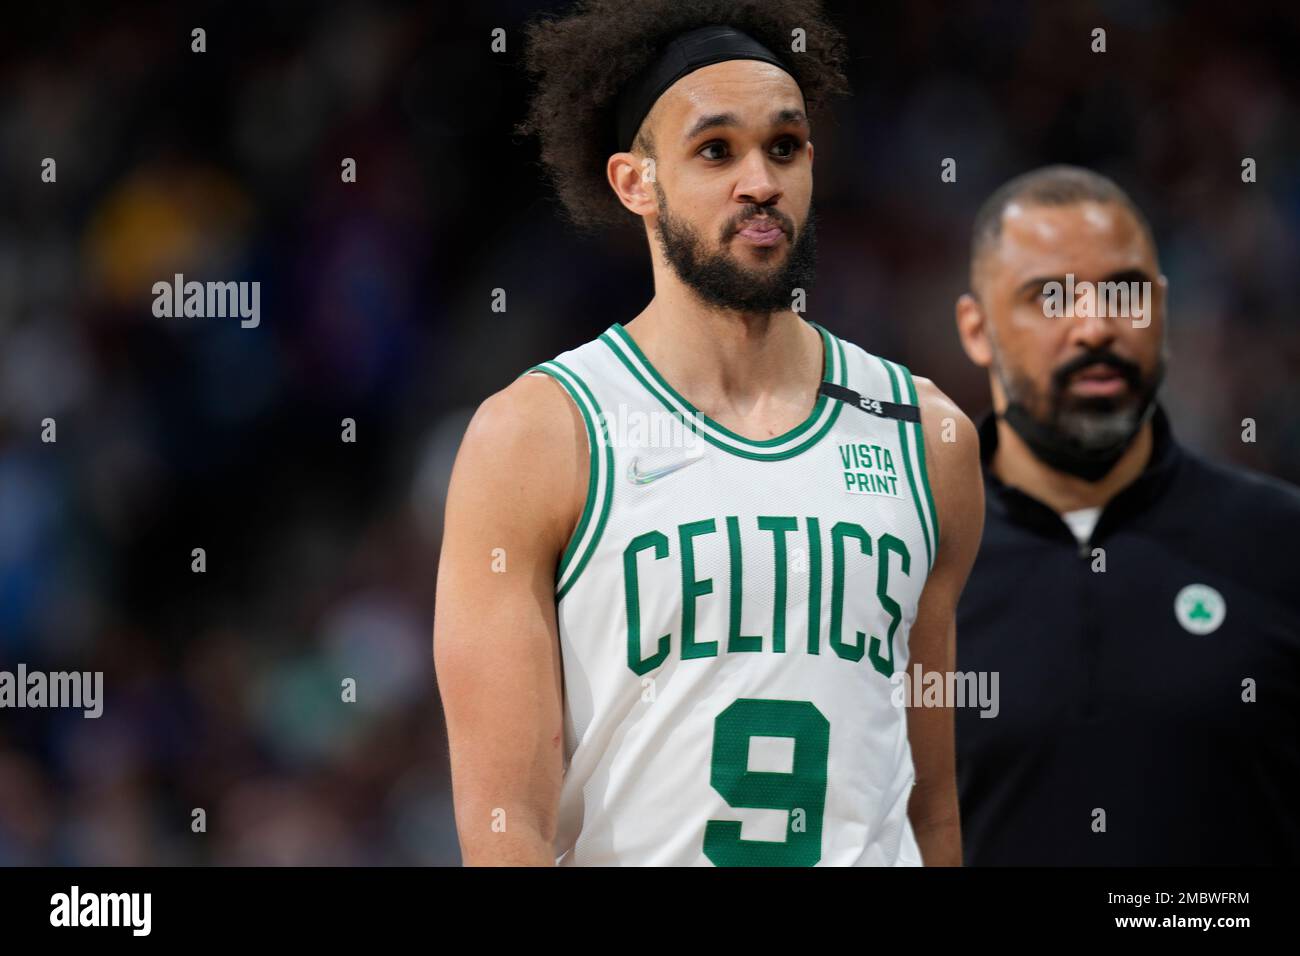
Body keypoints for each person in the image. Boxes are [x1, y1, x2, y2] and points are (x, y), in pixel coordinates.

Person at [433, 1, 984, 866]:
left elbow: (934, 811)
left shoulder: (927, 437)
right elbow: (506, 829)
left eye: (785, 146)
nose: (759, 180)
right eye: (715, 150)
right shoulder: (539, 436)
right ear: (634, 182)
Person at [953, 165, 1300, 864]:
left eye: (1128, 293)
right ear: (977, 329)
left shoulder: (1281, 542)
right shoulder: (908, 566)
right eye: (1050, 298)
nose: (1098, 327)